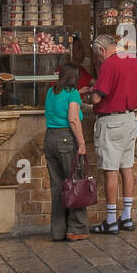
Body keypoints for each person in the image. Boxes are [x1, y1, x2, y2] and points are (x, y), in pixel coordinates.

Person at [89, 34, 137, 234]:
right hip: (130, 119)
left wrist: (89, 91)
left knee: (110, 170)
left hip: (111, 121)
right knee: (126, 168)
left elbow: (96, 98)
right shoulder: (133, 60)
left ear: (102, 50)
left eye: (98, 56)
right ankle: (126, 217)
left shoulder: (109, 64)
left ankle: (110, 219)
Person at [43, 62, 89, 242]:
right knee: (75, 183)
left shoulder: (51, 91)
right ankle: (76, 229)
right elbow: (73, 120)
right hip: (66, 139)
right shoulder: (73, 94)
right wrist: (82, 143)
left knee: (58, 186)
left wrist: (80, 94)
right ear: (74, 77)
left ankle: (58, 231)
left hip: (50, 138)